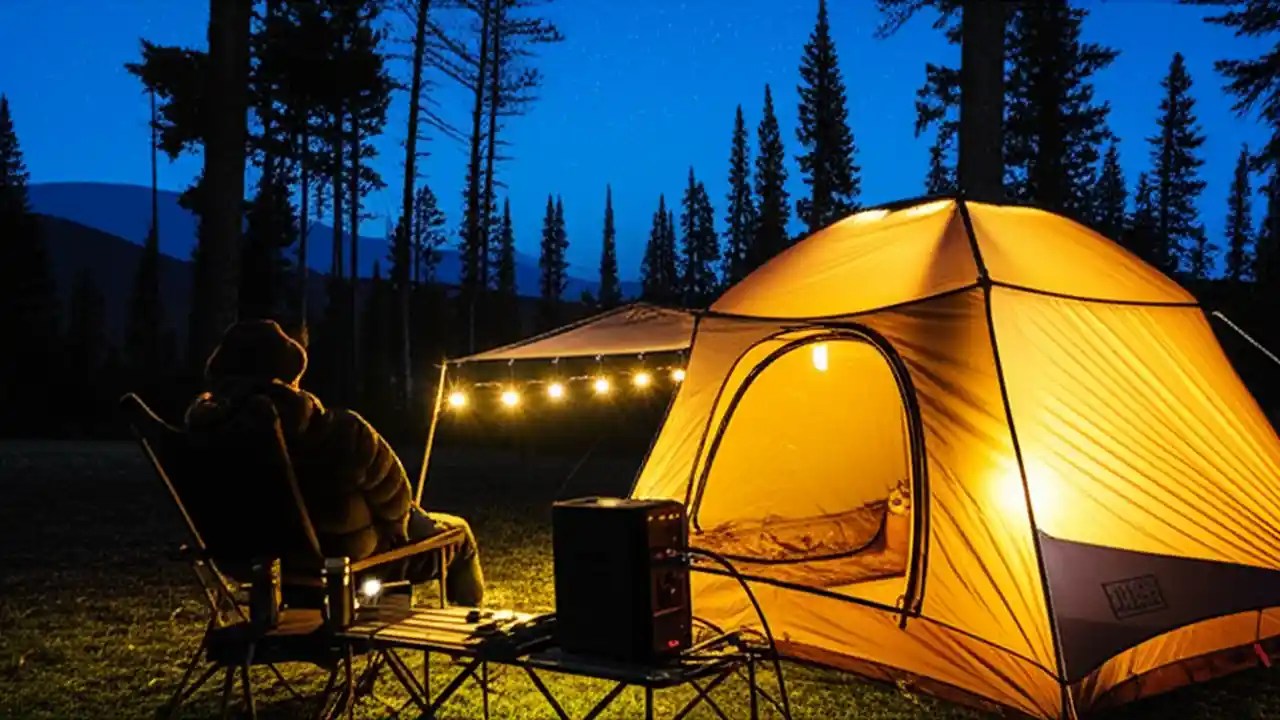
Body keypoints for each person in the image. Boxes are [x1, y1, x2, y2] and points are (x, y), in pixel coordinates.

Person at [184, 319, 484, 606]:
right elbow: (396, 499)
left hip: (254, 567)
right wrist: (398, 528)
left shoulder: (205, 436)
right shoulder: (339, 431)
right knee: (458, 533)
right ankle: (474, 622)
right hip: (347, 566)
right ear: (291, 375)